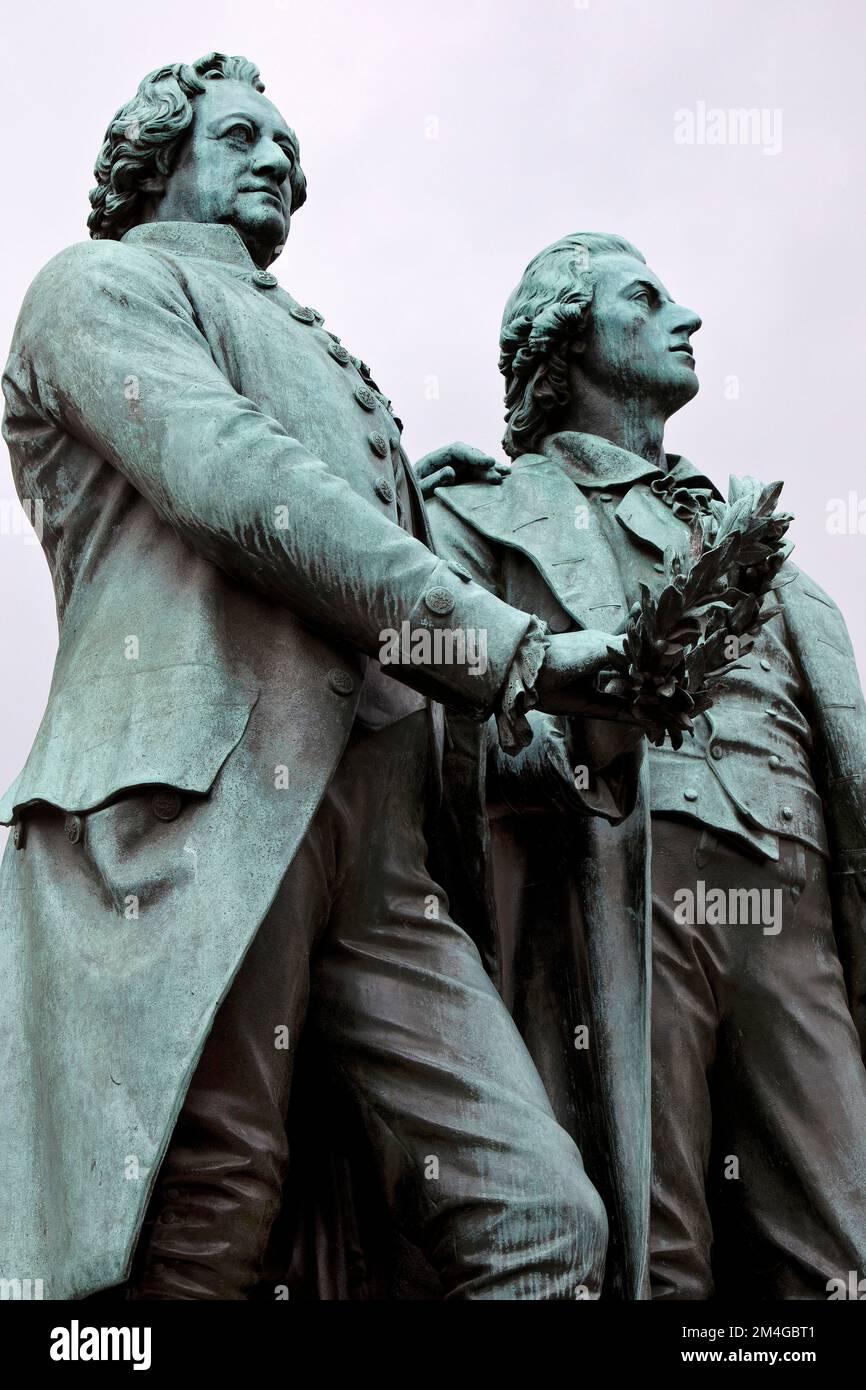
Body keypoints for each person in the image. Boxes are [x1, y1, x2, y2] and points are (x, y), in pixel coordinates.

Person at [0, 71, 651, 1301]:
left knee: (545, 1223)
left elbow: (389, 629)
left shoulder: (329, 357)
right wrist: (513, 649)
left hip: (381, 861)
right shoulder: (100, 287)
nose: (280, 163)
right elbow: (240, 485)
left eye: (293, 149)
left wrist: (548, 719)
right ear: (155, 160)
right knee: (206, 1211)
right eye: (241, 135)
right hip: (201, 809)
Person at [427, 232, 866, 1299]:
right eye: (645, 297)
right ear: (566, 338)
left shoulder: (757, 542)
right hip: (623, 875)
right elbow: (435, 720)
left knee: (840, 1246)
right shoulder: (475, 510)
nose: (687, 318)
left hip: (792, 891)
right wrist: (567, 744)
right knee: (653, 1248)